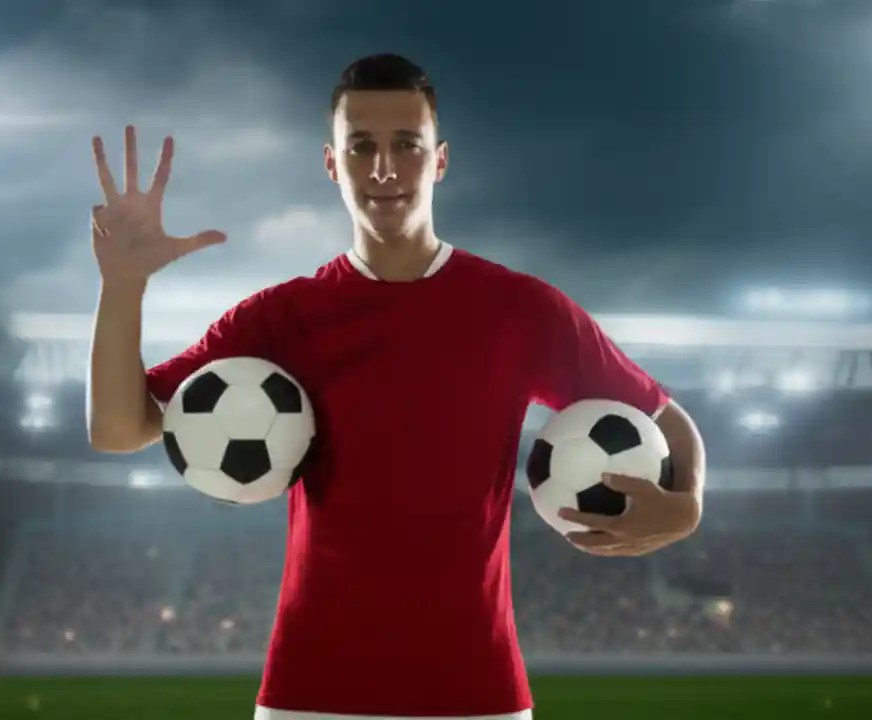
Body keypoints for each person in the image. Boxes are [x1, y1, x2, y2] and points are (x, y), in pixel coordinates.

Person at [86, 53, 706, 720]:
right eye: (362, 147)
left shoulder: (522, 311)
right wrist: (123, 288)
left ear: (439, 159)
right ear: (333, 163)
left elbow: (664, 416)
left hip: (479, 698)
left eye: (406, 145)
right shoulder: (280, 317)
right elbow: (122, 427)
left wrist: (688, 502)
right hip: (309, 696)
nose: (384, 168)